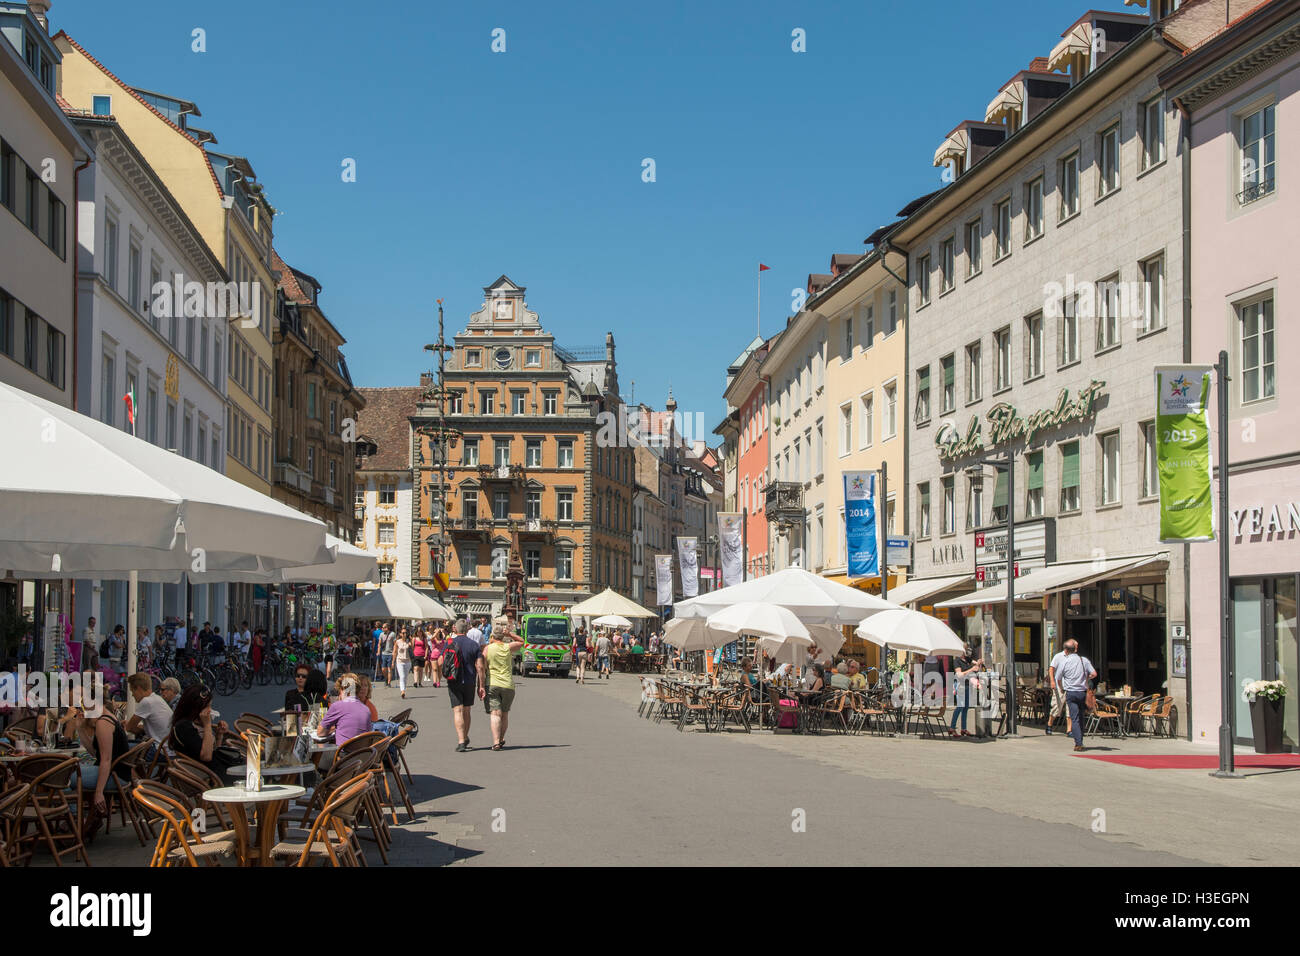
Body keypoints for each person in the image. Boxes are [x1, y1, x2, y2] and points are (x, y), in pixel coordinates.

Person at [59, 690, 128, 826]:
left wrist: (99, 792)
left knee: (61, 777)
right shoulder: (108, 717)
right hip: (116, 774)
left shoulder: (103, 723)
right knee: (66, 771)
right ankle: (83, 817)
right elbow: (95, 753)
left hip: (114, 776)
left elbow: (106, 760)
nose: (83, 707)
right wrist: (79, 728)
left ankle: (75, 819)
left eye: (85, 703)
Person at [169, 684, 237, 775]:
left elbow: (214, 753)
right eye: (207, 706)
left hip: (218, 769)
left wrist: (219, 735)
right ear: (195, 707)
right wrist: (207, 725)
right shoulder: (184, 727)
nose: (210, 710)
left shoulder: (197, 723)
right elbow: (207, 756)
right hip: (210, 777)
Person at [482, 617, 524, 750]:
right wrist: (509, 634)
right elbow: (522, 641)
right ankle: (501, 739)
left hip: (492, 683)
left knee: (495, 713)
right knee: (504, 713)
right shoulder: (507, 647)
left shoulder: (487, 649)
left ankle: (495, 741)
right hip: (508, 685)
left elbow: (482, 668)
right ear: (503, 636)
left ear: (492, 635)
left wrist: (481, 685)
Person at [445, 619, 485, 752]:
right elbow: (480, 666)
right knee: (467, 710)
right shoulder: (474, 645)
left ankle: (461, 740)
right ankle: (465, 736)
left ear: (455, 629)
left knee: (457, 710)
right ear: (467, 630)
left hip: (454, 680)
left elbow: (440, 661)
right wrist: (481, 685)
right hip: (469, 681)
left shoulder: (450, 643)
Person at [1054, 640, 1096, 752]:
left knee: (1075, 718)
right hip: (1082, 692)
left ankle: (1078, 743)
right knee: (1081, 717)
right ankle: (1080, 739)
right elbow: (1094, 673)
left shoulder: (1064, 662)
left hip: (1071, 693)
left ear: (1066, 651)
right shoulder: (1084, 660)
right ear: (1075, 649)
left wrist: (1062, 688)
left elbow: (1058, 678)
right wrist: (1086, 678)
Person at [318, 675, 372, 745]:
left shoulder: (337, 706)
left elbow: (320, 732)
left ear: (342, 689)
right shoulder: (366, 709)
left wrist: (333, 729)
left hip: (344, 754)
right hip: (363, 753)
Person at [124, 673, 171, 744]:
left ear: (138, 688)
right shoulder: (157, 698)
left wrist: (126, 725)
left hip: (159, 750)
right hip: (168, 748)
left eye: (132, 691)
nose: (132, 695)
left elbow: (129, 728)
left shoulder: (146, 702)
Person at [948, 648, 982, 738]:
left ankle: (964, 728)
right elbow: (959, 674)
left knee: (966, 707)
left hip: (967, 685)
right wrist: (971, 669)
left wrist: (979, 662)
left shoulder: (967, 659)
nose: (967, 652)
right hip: (960, 686)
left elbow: (976, 663)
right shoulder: (957, 661)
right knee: (960, 706)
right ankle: (952, 728)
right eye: (965, 650)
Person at [1045, 644, 1070, 737]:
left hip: (1070, 686)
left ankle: (1069, 730)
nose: (1076, 650)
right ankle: (1049, 724)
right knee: (1056, 707)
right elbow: (1051, 669)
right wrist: (1052, 681)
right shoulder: (1058, 656)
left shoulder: (1073, 658)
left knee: (1070, 708)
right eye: (1075, 647)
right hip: (1059, 686)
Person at [393, 627, 414, 699]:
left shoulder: (409, 641)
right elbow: (395, 652)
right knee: (402, 676)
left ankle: (403, 689)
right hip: (400, 661)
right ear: (400, 634)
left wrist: (411, 644)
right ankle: (402, 691)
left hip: (408, 661)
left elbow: (413, 650)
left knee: (405, 677)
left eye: (405, 633)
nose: (404, 634)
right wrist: (393, 662)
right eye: (403, 633)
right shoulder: (397, 641)